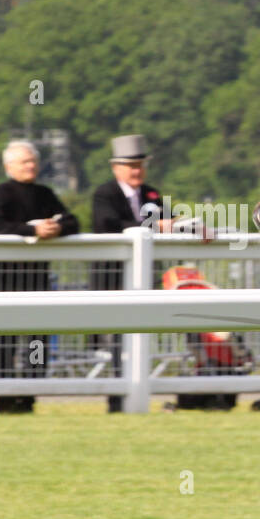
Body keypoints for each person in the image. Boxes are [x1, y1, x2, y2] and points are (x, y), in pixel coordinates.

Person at [0, 140, 80, 413]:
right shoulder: (0, 194)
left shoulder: (44, 193)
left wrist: (56, 228)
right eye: (24, 162)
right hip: (8, 279)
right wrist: (32, 231)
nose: (30, 166)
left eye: (33, 162)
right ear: (9, 167)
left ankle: (31, 392)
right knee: (5, 337)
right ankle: (5, 396)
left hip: (38, 276)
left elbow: (72, 221)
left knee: (37, 335)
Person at [90, 134, 174, 413]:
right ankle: (118, 398)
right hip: (113, 278)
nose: (136, 171)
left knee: (139, 335)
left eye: (139, 165)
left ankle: (136, 392)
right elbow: (107, 224)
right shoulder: (105, 194)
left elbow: (170, 219)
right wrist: (153, 226)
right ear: (116, 168)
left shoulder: (151, 193)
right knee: (118, 340)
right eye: (130, 166)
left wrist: (192, 227)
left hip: (143, 278)